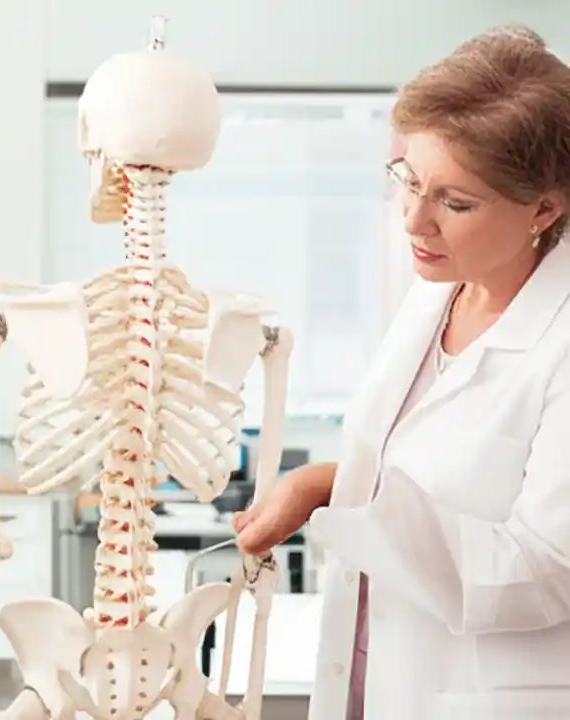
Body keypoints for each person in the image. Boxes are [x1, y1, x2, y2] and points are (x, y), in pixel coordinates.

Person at [232, 26, 570, 719]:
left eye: (455, 201)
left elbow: (544, 571)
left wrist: (345, 503)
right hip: (373, 678)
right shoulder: (436, 290)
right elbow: (411, 462)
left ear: (543, 207)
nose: (414, 220)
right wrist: (327, 486)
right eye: (409, 182)